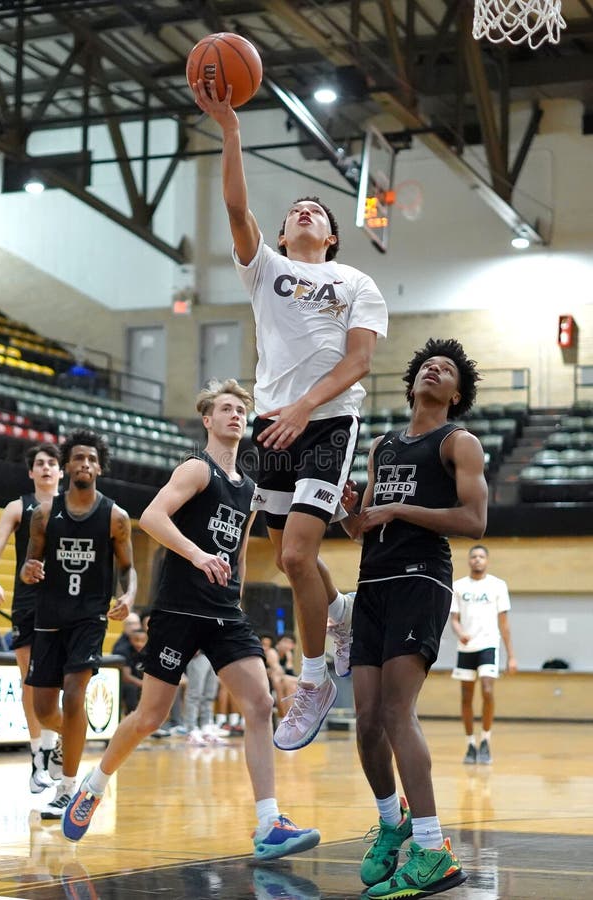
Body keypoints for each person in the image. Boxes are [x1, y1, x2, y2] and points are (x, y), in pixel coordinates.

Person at [192, 79, 389, 751]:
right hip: (272, 424)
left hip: (327, 422)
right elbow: (234, 202)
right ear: (280, 233)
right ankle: (336, 618)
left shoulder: (355, 283)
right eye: (296, 209)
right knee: (288, 560)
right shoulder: (264, 269)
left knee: (300, 552)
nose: (305, 212)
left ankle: (312, 681)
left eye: (316, 210)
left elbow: (359, 362)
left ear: (331, 236)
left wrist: (307, 408)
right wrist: (230, 130)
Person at [62, 379, 320, 861]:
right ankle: (94, 787)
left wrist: (236, 599)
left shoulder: (249, 489)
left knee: (260, 704)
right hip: (179, 609)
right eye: (226, 408)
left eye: (241, 410)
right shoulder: (196, 469)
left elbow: (239, 553)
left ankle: (269, 823)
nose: (236, 415)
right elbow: (153, 517)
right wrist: (199, 555)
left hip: (224, 614)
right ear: (208, 419)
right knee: (150, 716)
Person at [342, 338, 488, 898]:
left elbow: (474, 520)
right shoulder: (382, 445)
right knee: (366, 721)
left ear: (455, 395)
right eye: (429, 364)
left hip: (421, 578)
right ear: (413, 383)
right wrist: (348, 509)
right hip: (374, 581)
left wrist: (398, 509)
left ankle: (432, 851)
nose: (435, 369)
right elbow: (363, 525)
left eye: (447, 369)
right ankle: (390, 820)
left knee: (399, 713)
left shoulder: (460, 442)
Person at [21, 429, 137, 820]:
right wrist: (29, 571)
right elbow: (28, 567)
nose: (84, 464)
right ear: (67, 464)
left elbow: (128, 570)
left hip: (89, 618)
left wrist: (129, 595)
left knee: (74, 699)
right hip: (49, 618)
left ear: (99, 468)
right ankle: (64, 744)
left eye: (91, 459)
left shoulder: (115, 517)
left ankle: (68, 789)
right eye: (78, 458)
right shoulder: (42, 514)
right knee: (43, 708)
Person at [0, 442, 63, 792]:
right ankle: (38, 756)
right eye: (41, 463)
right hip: (28, 603)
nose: (47, 468)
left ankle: (51, 753)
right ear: (31, 471)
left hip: (66, 604)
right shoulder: (18, 506)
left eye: (53, 462)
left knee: (57, 682)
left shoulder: (76, 508)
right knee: (32, 682)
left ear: (61, 471)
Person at [450, 544, 517, 765]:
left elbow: (504, 624)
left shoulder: (498, 585)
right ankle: (470, 743)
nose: (477, 559)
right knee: (466, 696)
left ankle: (486, 739)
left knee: (487, 690)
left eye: (481, 556)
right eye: (474, 556)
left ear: (487, 561)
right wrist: (460, 633)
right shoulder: (458, 586)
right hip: (466, 648)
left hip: (489, 644)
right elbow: (454, 620)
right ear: (469, 561)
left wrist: (511, 655)